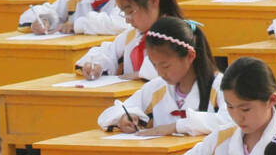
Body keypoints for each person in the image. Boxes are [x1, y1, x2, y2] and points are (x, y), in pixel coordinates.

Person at [158, 56, 276, 155]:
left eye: (245, 109)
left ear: (272, 100)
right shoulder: (223, 136)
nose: (237, 117)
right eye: (230, 107)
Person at [94, 17, 227, 134]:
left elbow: (230, 120)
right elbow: (112, 112)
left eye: (165, 66)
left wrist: (177, 126)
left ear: (190, 56)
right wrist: (124, 117)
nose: (160, 73)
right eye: (154, 65)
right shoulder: (156, 88)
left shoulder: (219, 86)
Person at [77, 0, 174, 80]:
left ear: (153, 0)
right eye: (124, 13)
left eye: (130, 11)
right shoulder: (132, 36)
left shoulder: (176, 34)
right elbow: (108, 51)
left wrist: (139, 74)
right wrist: (95, 64)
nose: (127, 20)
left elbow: (169, 66)